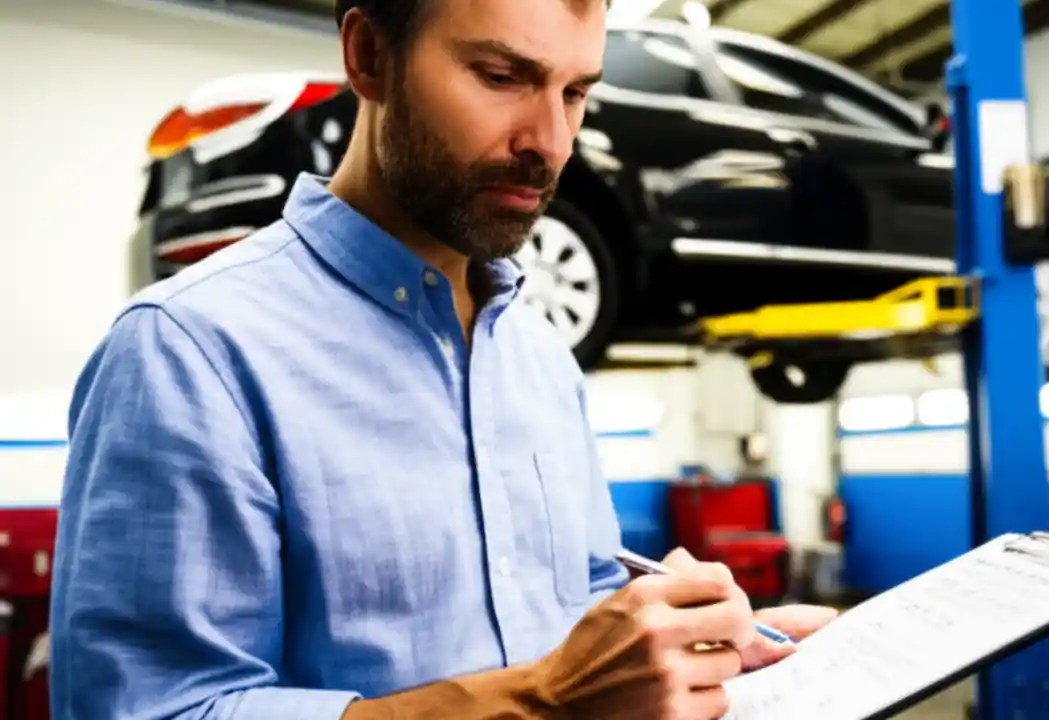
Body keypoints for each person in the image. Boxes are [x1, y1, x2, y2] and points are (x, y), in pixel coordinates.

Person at [48, 0, 838, 718]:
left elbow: (577, 614)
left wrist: (694, 653)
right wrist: (540, 702)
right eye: (502, 76)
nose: (550, 143)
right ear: (369, 57)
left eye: (574, 93)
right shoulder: (187, 352)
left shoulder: (540, 360)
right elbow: (158, 710)